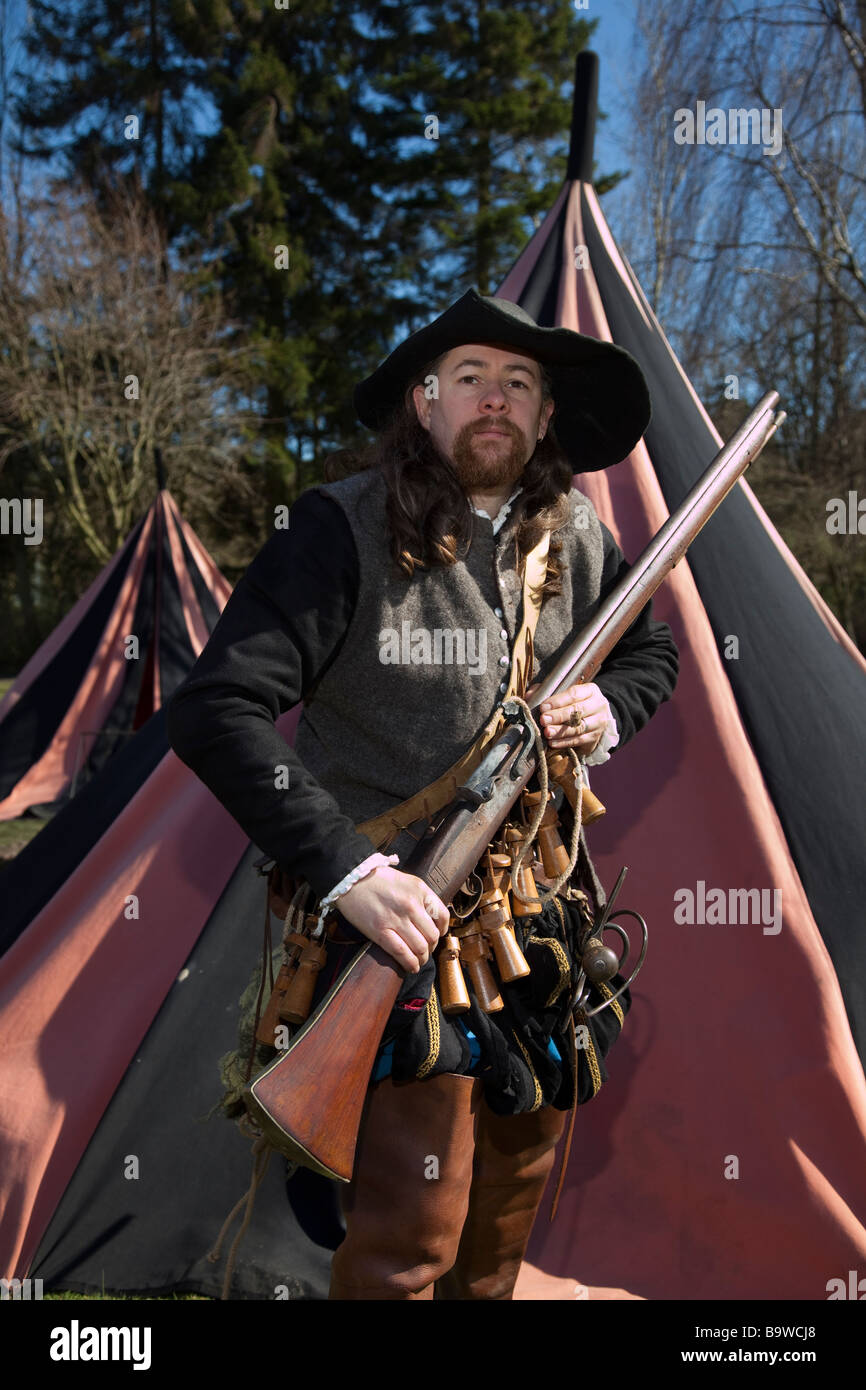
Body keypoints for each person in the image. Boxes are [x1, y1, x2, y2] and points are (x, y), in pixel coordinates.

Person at [167, 287, 679, 1300]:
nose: (494, 400)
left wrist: (603, 707)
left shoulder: (574, 535)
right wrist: (347, 871)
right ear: (424, 401)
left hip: (542, 918)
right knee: (410, 1237)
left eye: (518, 383)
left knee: (504, 1210)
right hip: (394, 920)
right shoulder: (337, 528)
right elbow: (215, 708)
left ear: (541, 416)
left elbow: (649, 653)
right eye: (470, 379)